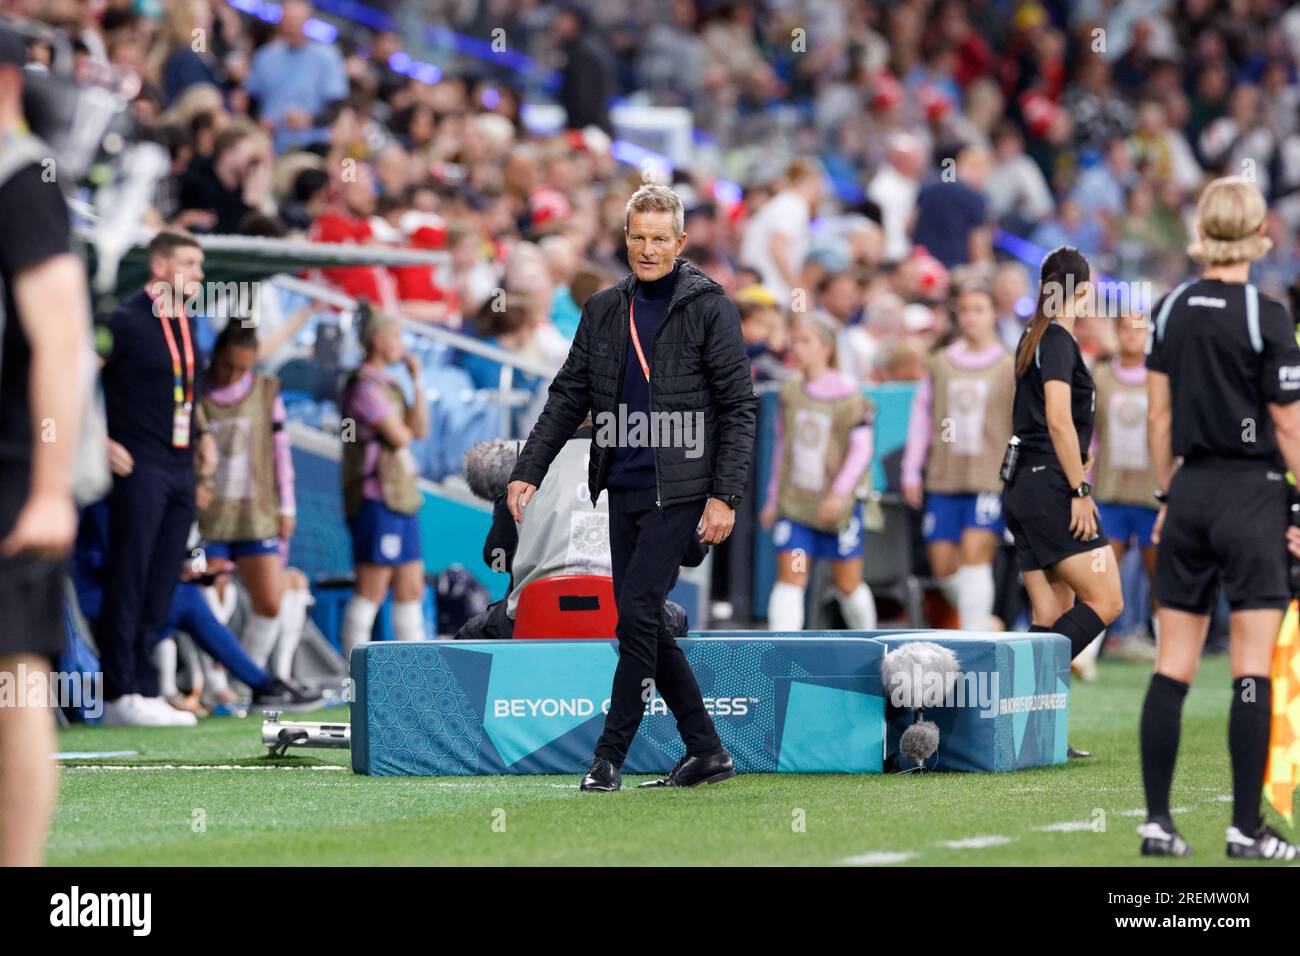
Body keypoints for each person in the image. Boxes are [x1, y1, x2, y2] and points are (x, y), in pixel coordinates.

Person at [506, 183, 758, 792]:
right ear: (625, 239)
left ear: (680, 240)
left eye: (658, 239)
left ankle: (607, 756)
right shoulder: (602, 308)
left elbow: (738, 407)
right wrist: (527, 470)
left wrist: (725, 496)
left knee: (635, 615)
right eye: (638, 237)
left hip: (684, 489)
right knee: (641, 620)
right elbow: (568, 395)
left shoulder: (710, 305)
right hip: (622, 485)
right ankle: (707, 750)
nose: (647, 249)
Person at [1139, 177, 1300, 859]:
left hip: (1190, 492)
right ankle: (1245, 829)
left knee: (1171, 666)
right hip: (1253, 492)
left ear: (1201, 229)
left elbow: (1157, 416)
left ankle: (1157, 824)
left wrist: (1167, 495)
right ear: (1258, 231)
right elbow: (1289, 426)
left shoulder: (1170, 307)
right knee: (1249, 669)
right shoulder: (1266, 314)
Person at [0, 26, 91, 865]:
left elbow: (61, 337)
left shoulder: (24, 178)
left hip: (13, 470)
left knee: (15, 681)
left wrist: (50, 486)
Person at [1001, 246, 1124, 757]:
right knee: (1108, 599)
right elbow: (1056, 419)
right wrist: (1079, 488)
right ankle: (1018, 703)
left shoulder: (1034, 337)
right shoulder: (1059, 341)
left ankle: (1032, 738)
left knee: (1052, 611)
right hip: (1052, 488)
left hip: (1022, 487)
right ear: (1084, 289)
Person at [98, 229, 216, 727]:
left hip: (179, 464)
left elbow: (188, 388)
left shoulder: (187, 321)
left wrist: (204, 436)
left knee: (166, 574)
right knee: (132, 571)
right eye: (190, 262)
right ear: (160, 265)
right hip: (139, 461)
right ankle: (117, 690)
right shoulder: (124, 318)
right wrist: (97, 443)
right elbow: (78, 377)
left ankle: (144, 687)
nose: (200, 274)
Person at [902, 279, 1014, 631]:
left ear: (994, 314)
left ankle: (973, 639)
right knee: (943, 565)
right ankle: (984, 623)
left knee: (976, 554)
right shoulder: (940, 364)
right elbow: (922, 417)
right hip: (945, 476)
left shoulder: (1010, 366)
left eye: (979, 310)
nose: (971, 318)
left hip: (989, 477)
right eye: (964, 310)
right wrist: (911, 470)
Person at [761, 312, 876, 632]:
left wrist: (839, 494)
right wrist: (773, 499)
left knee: (848, 583)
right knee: (792, 575)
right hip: (797, 503)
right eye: (794, 340)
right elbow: (783, 447)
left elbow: (861, 450)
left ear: (826, 348)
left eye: (805, 341)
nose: (796, 348)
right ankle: (783, 650)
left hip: (837, 507)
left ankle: (871, 640)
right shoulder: (791, 392)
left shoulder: (851, 394)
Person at [197, 323, 296, 672]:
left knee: (270, 603)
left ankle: (246, 678)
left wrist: (287, 507)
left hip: (257, 516)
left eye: (244, 368)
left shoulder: (267, 391)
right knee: (207, 604)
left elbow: (281, 455)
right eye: (228, 365)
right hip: (207, 520)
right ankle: (212, 688)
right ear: (215, 357)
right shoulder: (195, 393)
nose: (234, 375)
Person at [337, 308, 429, 655]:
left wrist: (416, 381)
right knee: (372, 587)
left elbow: (419, 429)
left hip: (402, 497)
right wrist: (404, 428)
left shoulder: (390, 384)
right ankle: (350, 670)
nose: (401, 345)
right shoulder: (362, 386)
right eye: (396, 336)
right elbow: (400, 436)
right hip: (376, 498)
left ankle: (415, 666)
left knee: (411, 586)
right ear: (378, 340)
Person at [1089, 312, 1161, 662]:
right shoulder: (1099, 376)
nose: (1133, 336)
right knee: (1100, 573)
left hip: (1151, 493)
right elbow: (1089, 436)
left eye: (1139, 329)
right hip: (1109, 492)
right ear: (1115, 333)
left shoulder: (1162, 377)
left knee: (1158, 575)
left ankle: (1167, 649)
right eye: (1126, 329)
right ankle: (1086, 653)